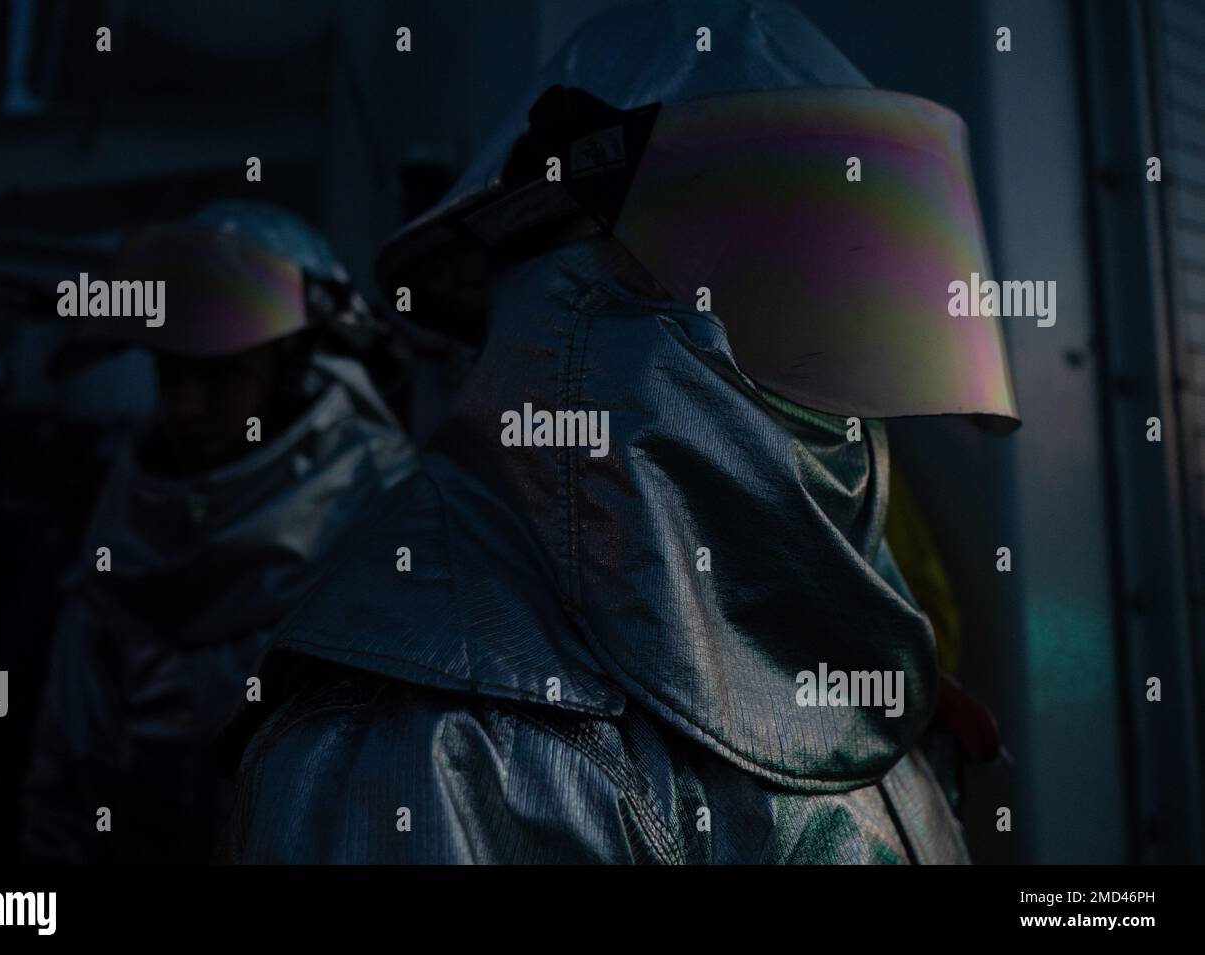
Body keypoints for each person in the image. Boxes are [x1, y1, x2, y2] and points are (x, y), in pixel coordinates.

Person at [220, 1, 1019, 864]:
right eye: (756, 277)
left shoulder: (863, 651)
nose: (819, 340)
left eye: (824, 282)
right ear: (573, 277)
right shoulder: (429, 741)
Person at [22, 202, 417, 863]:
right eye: (171, 373)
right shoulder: (130, 523)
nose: (185, 405)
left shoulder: (383, 522)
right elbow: (64, 768)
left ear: (291, 372)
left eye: (221, 375)